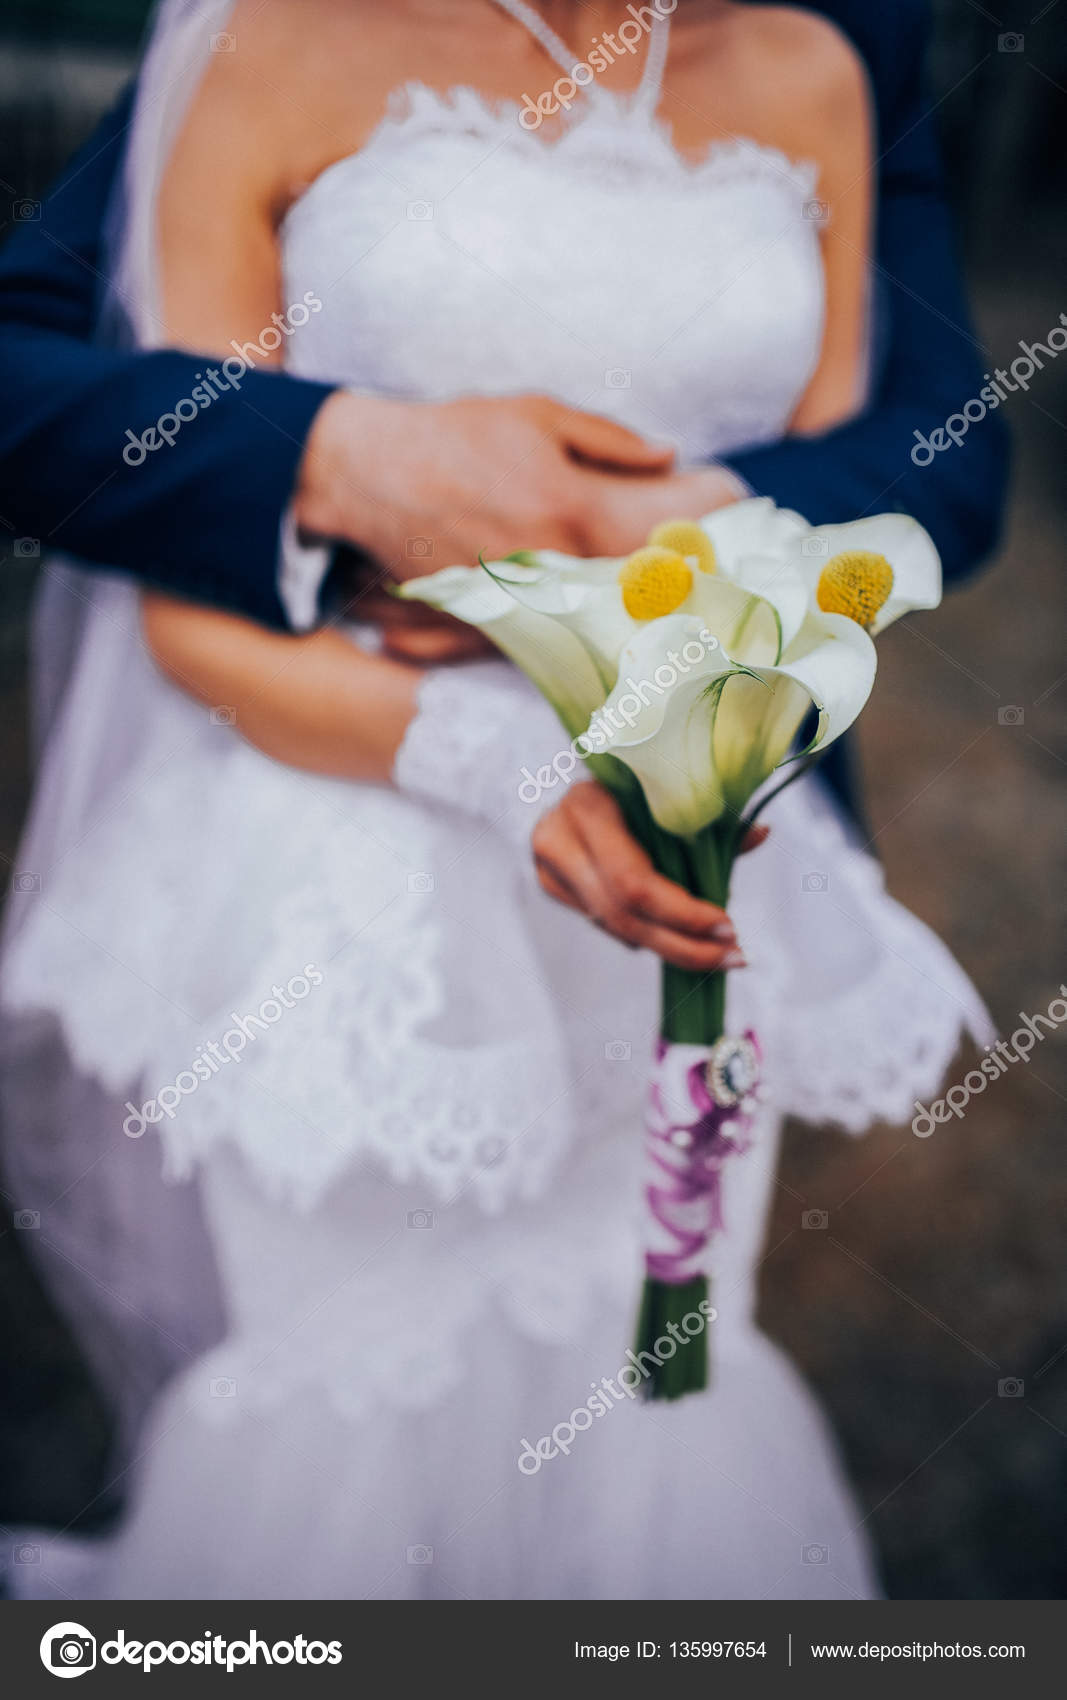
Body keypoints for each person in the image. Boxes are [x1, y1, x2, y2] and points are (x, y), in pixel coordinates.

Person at [1, 0, 998, 1601]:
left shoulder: (814, 66)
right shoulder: (268, 47)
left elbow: (868, 506)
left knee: (660, 1352)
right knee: (358, 1388)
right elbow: (188, 609)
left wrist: (631, 567)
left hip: (686, 814)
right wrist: (508, 758)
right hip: (352, 855)